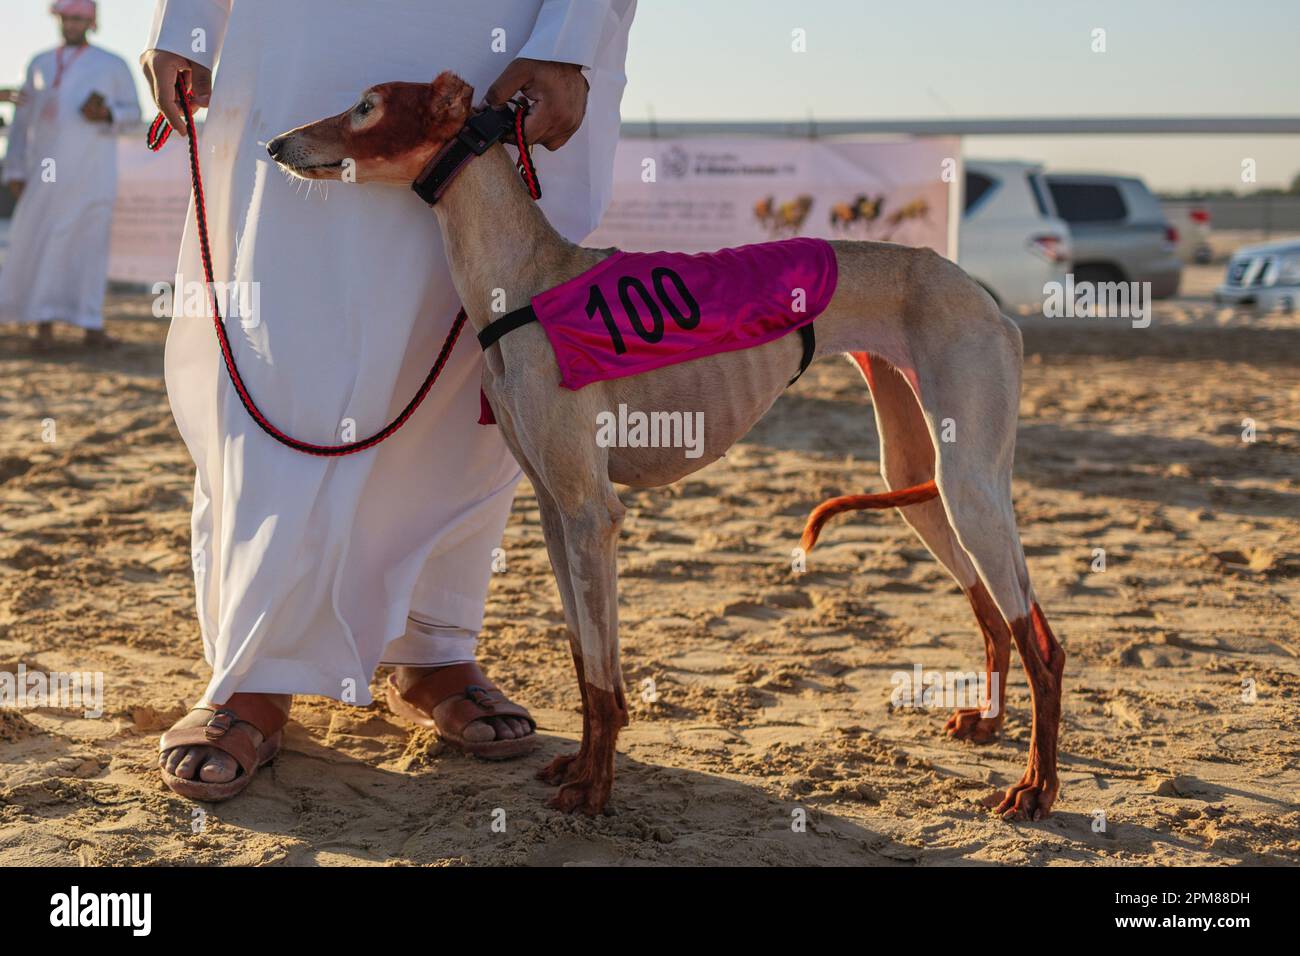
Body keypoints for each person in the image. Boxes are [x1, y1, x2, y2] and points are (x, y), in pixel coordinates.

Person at [143, 0, 636, 800]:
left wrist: (574, 41)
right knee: (290, 330)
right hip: (305, 28)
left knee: (479, 336)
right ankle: (256, 662)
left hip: (503, 31)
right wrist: (186, 19)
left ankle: (436, 639)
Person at [0, 1, 141, 348]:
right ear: (59, 20)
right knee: (41, 243)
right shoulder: (40, 62)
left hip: (93, 174)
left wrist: (106, 114)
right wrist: (14, 167)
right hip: (44, 175)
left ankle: (91, 323)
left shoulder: (112, 64)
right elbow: (22, 122)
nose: (72, 24)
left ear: (91, 23)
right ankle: (42, 325)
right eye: (67, 18)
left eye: (79, 18)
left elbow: (135, 115)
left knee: (90, 246)